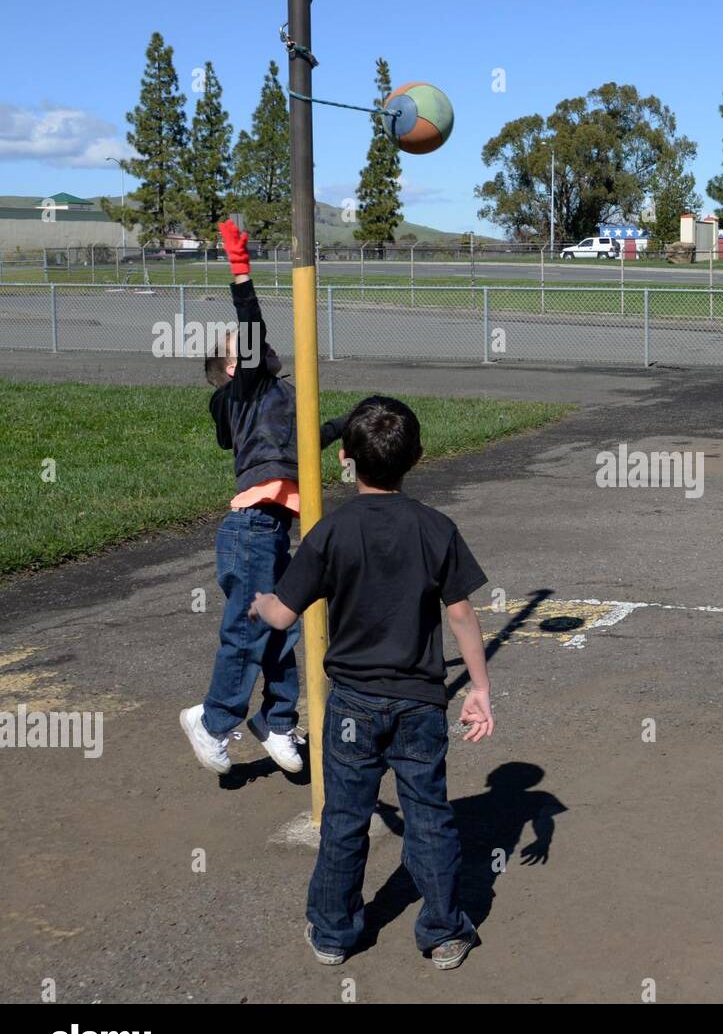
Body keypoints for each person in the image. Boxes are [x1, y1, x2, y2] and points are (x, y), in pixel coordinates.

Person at [249, 396, 495, 969]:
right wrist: (479, 687)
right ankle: (442, 933)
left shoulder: (330, 531)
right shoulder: (436, 528)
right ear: (418, 458)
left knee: (344, 819)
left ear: (344, 459)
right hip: (419, 704)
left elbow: (283, 615)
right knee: (429, 816)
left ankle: (335, 933)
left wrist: (261, 603)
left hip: (354, 705)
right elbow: (460, 615)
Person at [180, 219, 348, 775]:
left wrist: (355, 422)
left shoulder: (279, 397)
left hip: (275, 529)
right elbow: (250, 327)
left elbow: (308, 441)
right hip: (250, 527)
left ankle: (276, 722)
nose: (263, 349)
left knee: (283, 624)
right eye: (246, 353)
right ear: (233, 369)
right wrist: (241, 272)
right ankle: (213, 719)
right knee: (251, 628)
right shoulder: (242, 395)